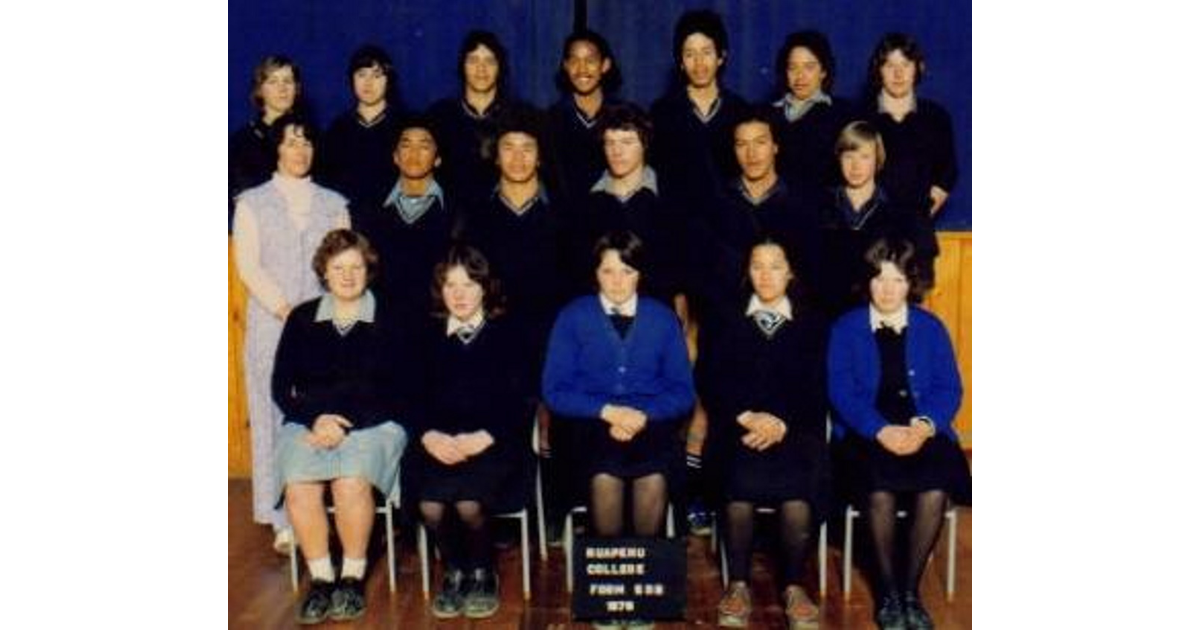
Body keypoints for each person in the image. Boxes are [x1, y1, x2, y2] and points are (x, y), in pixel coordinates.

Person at [542, 230, 695, 630]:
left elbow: (682, 392)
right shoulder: (573, 315)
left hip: (652, 423)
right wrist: (608, 411)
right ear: (595, 273)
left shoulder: (662, 318)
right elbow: (554, 390)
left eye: (626, 271)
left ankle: (640, 587)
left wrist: (643, 415)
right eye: (608, 271)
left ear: (639, 275)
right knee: (605, 474)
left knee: (652, 476)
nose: (617, 281)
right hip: (589, 423)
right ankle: (609, 588)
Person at [272, 229, 417, 625]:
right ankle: (321, 580)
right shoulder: (303, 318)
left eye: (356, 267)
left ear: (368, 271)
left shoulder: (392, 317)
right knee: (300, 484)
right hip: (311, 422)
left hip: (375, 423)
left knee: (350, 481)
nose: (348, 275)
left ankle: (351, 577)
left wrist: (345, 423)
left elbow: (402, 389)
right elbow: (281, 386)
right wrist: (316, 418)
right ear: (324, 271)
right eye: (339, 267)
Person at [827, 237, 971, 630]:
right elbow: (841, 390)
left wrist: (925, 426)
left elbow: (949, 388)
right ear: (867, 283)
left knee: (935, 486)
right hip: (866, 431)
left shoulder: (930, 326)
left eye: (897, 279)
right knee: (878, 490)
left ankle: (911, 591)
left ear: (913, 283)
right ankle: (888, 592)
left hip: (921, 427)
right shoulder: (846, 327)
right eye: (879, 279)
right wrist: (880, 430)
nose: (887, 289)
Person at [233, 114, 350, 555]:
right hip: (272, 323)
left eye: (306, 143)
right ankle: (280, 516)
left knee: (320, 410)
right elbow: (248, 266)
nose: (299, 151)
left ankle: (325, 511)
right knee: (270, 414)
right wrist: (286, 310)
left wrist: (322, 314)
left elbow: (346, 261)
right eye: (290, 142)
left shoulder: (333, 202)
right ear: (276, 150)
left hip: (325, 325)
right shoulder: (252, 202)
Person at [700, 240, 829, 630]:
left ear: (790, 272)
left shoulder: (813, 322)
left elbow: (819, 387)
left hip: (796, 431)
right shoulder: (725, 318)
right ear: (747, 271)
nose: (766, 275)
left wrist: (781, 424)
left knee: (799, 491)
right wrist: (747, 416)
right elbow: (708, 377)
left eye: (776, 266)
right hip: (736, 429)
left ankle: (793, 585)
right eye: (757, 266)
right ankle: (737, 585)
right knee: (737, 483)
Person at [414, 245, 537, 620]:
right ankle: (454, 569)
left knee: (469, 503)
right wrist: (429, 436)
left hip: (495, 442)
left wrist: (484, 437)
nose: (460, 294)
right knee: (431, 505)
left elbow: (523, 400)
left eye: (469, 284)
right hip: (437, 441)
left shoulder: (510, 334)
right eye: (450, 285)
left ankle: (483, 571)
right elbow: (408, 396)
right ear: (440, 291)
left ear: (486, 288)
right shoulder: (425, 336)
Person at [352, 115, 459, 333]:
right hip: (380, 327)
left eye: (424, 146)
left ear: (438, 159)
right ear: (395, 157)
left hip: (439, 327)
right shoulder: (368, 210)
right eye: (406, 145)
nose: (414, 154)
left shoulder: (457, 211)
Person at [577, 103, 683, 310]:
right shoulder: (585, 203)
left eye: (627, 142)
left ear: (644, 144)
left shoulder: (671, 198)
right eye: (610, 143)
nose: (617, 151)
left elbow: (680, 272)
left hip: (656, 315)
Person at [814, 120, 924, 317]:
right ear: (839, 159)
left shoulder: (898, 212)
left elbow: (910, 273)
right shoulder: (820, 205)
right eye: (849, 156)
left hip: (880, 312)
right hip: (827, 313)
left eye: (865, 157)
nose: (855, 166)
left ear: (877, 160)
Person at [866, 33, 958, 260]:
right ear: (879, 70)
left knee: (917, 295)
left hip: (918, 238)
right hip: (869, 239)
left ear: (918, 68)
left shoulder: (935, 116)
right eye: (890, 65)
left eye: (905, 65)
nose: (898, 74)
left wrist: (920, 214)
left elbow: (948, 171)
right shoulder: (860, 116)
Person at [430, 30, 518, 206]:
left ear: (500, 67)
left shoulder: (519, 117)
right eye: (473, 60)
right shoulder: (439, 117)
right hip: (450, 223)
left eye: (489, 61)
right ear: (462, 66)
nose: (481, 69)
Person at [544, 29, 625, 209]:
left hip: (614, 221)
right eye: (574, 60)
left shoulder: (624, 117)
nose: (582, 69)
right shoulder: (550, 121)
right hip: (564, 223)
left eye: (590, 60)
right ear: (565, 66)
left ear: (605, 65)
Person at [319, 44, 405, 212]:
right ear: (352, 79)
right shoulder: (338, 129)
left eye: (377, 75)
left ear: (389, 81)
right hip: (348, 223)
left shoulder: (406, 125)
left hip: (396, 221)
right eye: (361, 75)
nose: (368, 83)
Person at [770, 30, 854, 199]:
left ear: (823, 71)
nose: (800, 76)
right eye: (792, 67)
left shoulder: (843, 114)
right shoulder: (765, 114)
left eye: (809, 67)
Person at [229, 54, 305, 228]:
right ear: (259, 90)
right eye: (273, 81)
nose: (282, 88)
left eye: (288, 81)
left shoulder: (312, 139)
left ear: (297, 88)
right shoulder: (240, 142)